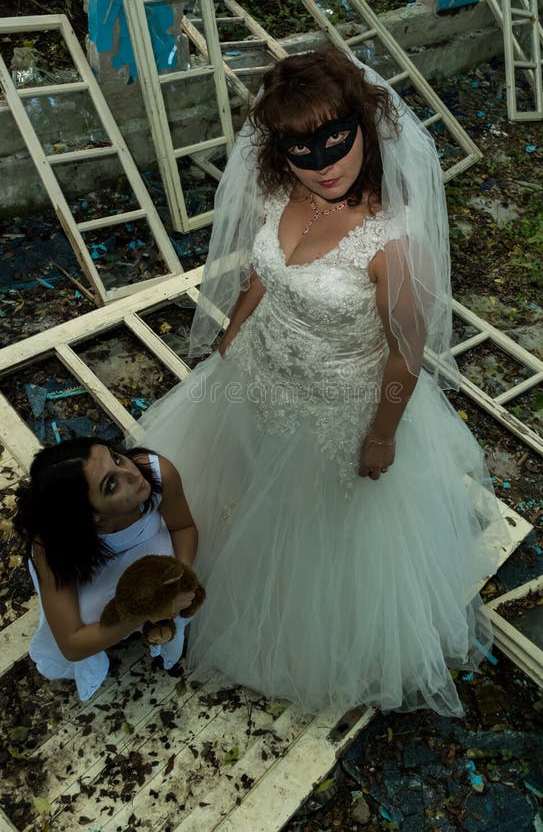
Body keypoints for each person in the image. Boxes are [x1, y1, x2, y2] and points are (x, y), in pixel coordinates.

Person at [131, 49, 508, 716]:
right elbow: (262, 272)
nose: (326, 162)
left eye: (338, 138)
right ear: (280, 151)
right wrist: (234, 330)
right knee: (242, 484)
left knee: (314, 534)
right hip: (262, 372)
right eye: (303, 148)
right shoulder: (284, 194)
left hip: (338, 409)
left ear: (364, 127)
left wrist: (382, 439)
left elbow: (405, 353)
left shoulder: (391, 245)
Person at [14, 437, 198, 701]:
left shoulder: (157, 472)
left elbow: (183, 527)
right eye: (111, 484)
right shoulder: (52, 543)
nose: (132, 474)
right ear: (91, 515)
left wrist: (182, 575)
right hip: (94, 573)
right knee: (86, 617)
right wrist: (152, 607)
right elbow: (71, 644)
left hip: (153, 551)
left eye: (117, 457)